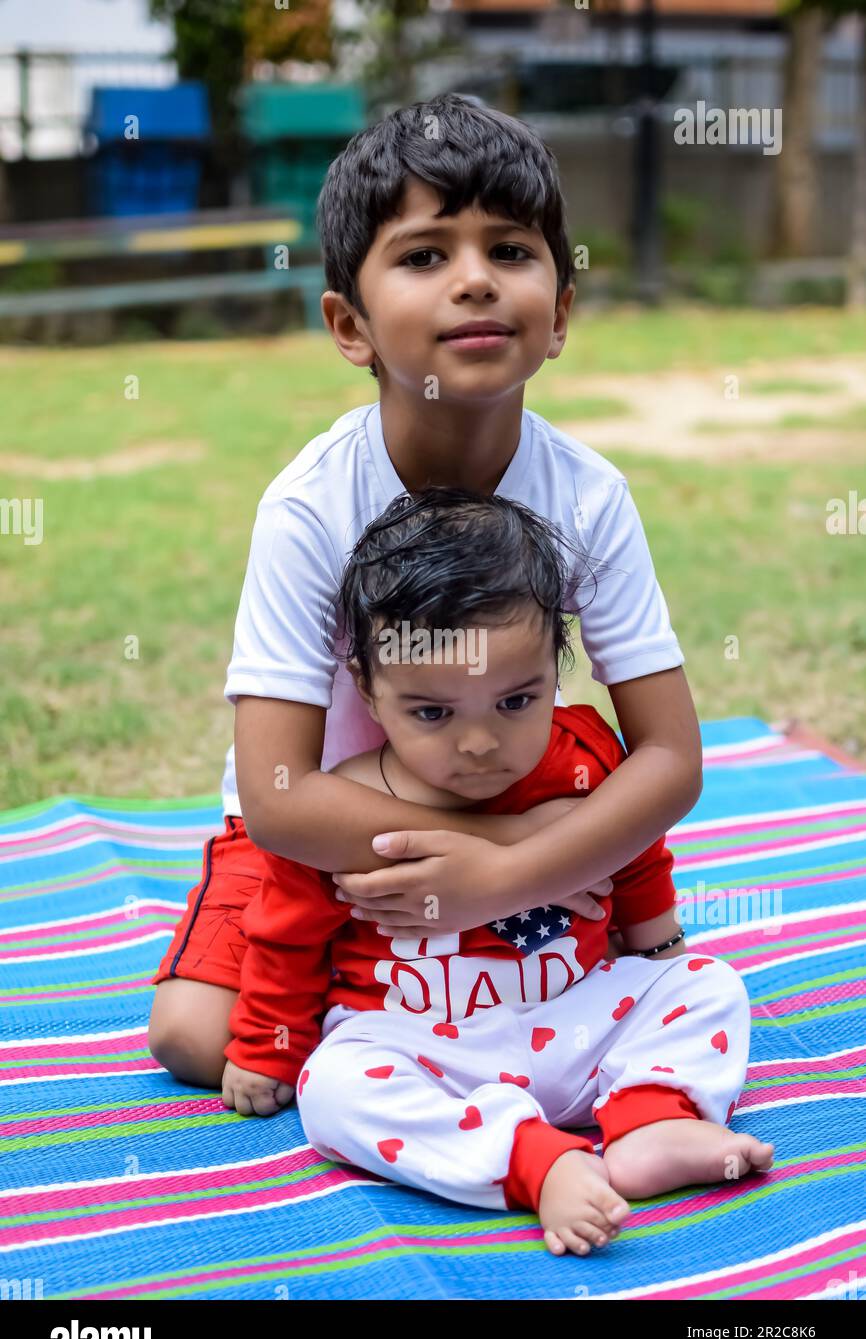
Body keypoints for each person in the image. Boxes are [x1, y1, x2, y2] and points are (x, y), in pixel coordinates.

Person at [149, 93, 704, 1107]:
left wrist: (498, 876)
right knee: (197, 1032)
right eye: (423, 257)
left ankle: (427, 1023)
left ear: (561, 310)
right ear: (348, 327)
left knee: (661, 992)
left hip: (534, 808)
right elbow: (276, 791)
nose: (475, 281)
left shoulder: (588, 497)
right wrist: (507, 858)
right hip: (337, 838)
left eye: (508, 249)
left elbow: (668, 758)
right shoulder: (310, 508)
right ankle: (413, 1020)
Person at [220, 489, 774, 1259]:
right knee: (335, 1091)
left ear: (557, 665)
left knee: (708, 984)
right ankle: (530, 1163)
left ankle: (652, 1119)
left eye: (516, 700)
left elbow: (636, 854)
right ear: (368, 686)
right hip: (421, 1044)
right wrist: (264, 1045)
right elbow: (286, 929)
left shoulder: (584, 758)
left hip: (575, 1016)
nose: (480, 743)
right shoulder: (347, 805)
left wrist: (657, 949)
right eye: (434, 714)